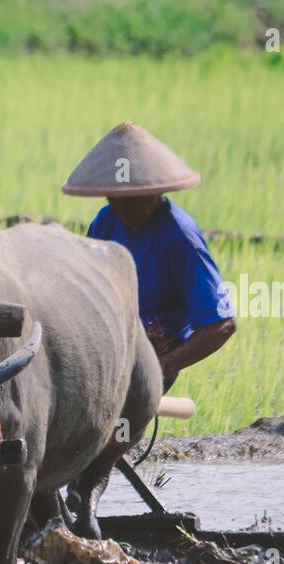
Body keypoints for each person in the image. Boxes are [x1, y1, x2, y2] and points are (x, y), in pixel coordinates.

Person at [61, 122, 236, 389]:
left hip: (153, 353)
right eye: (114, 198)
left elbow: (221, 324)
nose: (122, 208)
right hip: (108, 347)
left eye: (132, 199)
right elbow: (86, 289)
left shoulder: (179, 236)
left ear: (155, 191)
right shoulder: (106, 221)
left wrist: (160, 366)